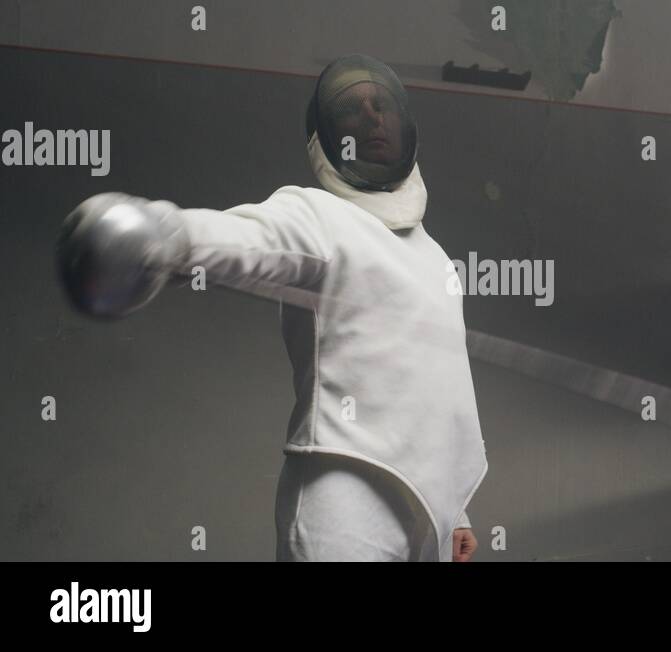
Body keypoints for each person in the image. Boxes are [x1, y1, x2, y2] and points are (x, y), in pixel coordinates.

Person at [55, 54, 489, 562]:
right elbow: (248, 240)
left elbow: (442, 388)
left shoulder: (437, 258)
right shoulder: (319, 216)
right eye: (351, 108)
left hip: (433, 510)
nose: (372, 118)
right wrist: (162, 238)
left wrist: (456, 510)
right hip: (349, 497)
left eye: (382, 105)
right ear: (326, 135)